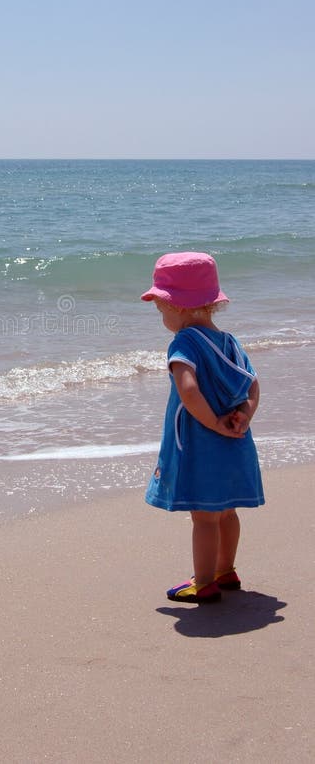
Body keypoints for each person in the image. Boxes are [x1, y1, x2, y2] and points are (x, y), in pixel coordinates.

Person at [141, 252, 264, 603]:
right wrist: (244, 415)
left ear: (178, 306)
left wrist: (214, 424)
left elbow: (189, 389)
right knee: (227, 512)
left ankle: (205, 582)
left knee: (204, 519)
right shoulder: (230, 342)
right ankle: (226, 570)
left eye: (161, 309)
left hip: (203, 443)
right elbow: (253, 385)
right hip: (236, 440)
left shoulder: (183, 342)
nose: (162, 317)